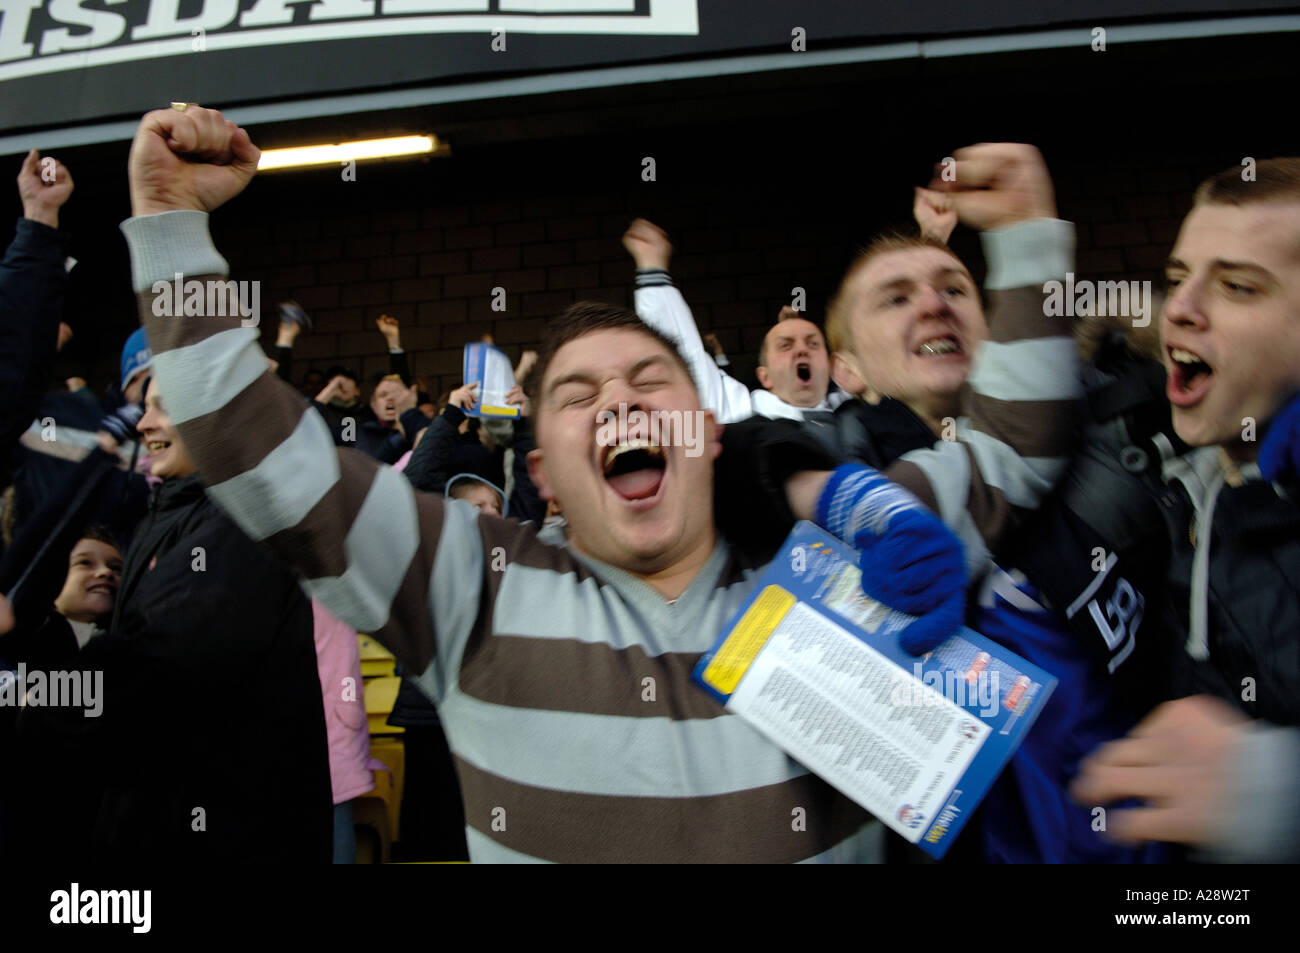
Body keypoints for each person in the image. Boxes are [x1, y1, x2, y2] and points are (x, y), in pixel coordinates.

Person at [121, 106, 1075, 862]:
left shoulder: (839, 542)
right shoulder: (466, 585)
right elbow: (251, 450)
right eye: (577, 394)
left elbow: (1015, 450)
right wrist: (171, 227)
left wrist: (1031, 238)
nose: (618, 397)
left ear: (705, 430)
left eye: (650, 381)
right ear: (543, 471)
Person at [1070, 157, 1300, 862]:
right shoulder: (1190, 476)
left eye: (1237, 285)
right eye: (1177, 278)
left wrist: (1268, 790)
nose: (1180, 308)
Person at [8, 377, 333, 861]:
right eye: (144, 407)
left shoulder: (242, 520)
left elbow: (154, 662)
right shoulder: (167, 515)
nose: (143, 423)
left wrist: (33, 699)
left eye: (166, 407)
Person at [625, 218, 844, 425]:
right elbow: (684, 355)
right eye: (786, 345)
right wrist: (652, 269)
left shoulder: (861, 407)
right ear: (764, 377)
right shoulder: (741, 414)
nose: (802, 351)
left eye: (813, 343)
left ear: (832, 366)